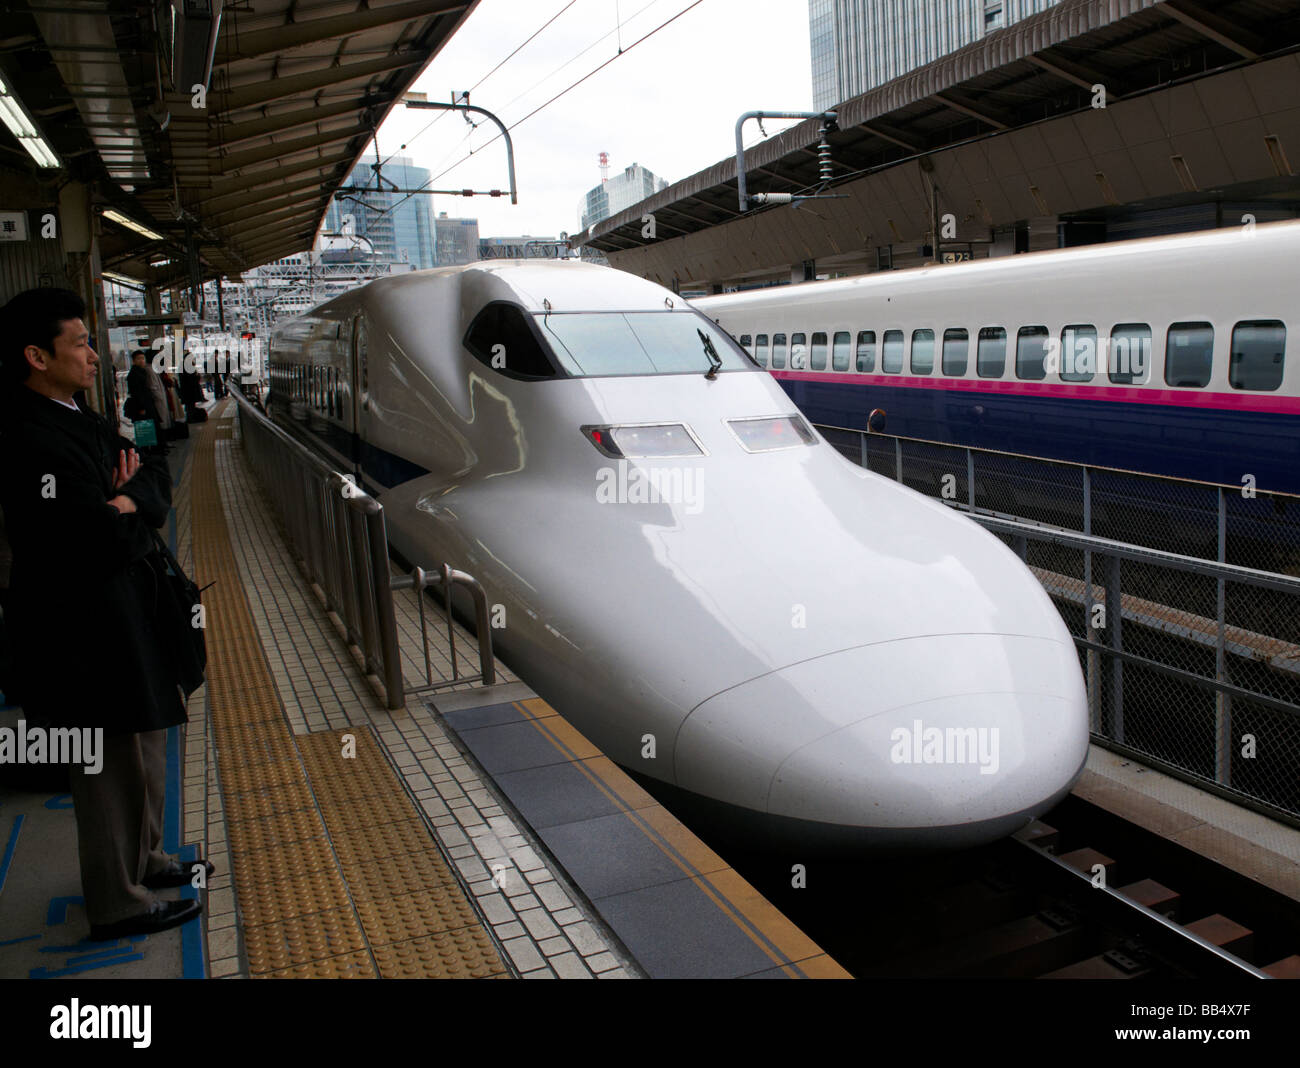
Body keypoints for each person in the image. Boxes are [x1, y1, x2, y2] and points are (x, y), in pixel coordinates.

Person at [0, 288, 208, 940]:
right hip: (82, 633)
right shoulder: (30, 437)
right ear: (36, 356)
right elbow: (90, 541)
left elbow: (153, 480)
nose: (95, 354)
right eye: (81, 343)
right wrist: (122, 510)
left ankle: (146, 858)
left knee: (143, 741)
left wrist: (126, 503)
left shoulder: (77, 417)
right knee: (105, 762)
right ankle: (118, 902)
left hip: (123, 615)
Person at [124, 349, 167, 454]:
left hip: (147, 404)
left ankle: (154, 449)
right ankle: (150, 451)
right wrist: (141, 408)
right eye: (138, 359)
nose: (141, 361)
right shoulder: (134, 375)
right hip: (143, 406)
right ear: (133, 361)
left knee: (151, 427)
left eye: (143, 358)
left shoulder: (140, 372)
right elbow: (136, 393)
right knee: (146, 428)